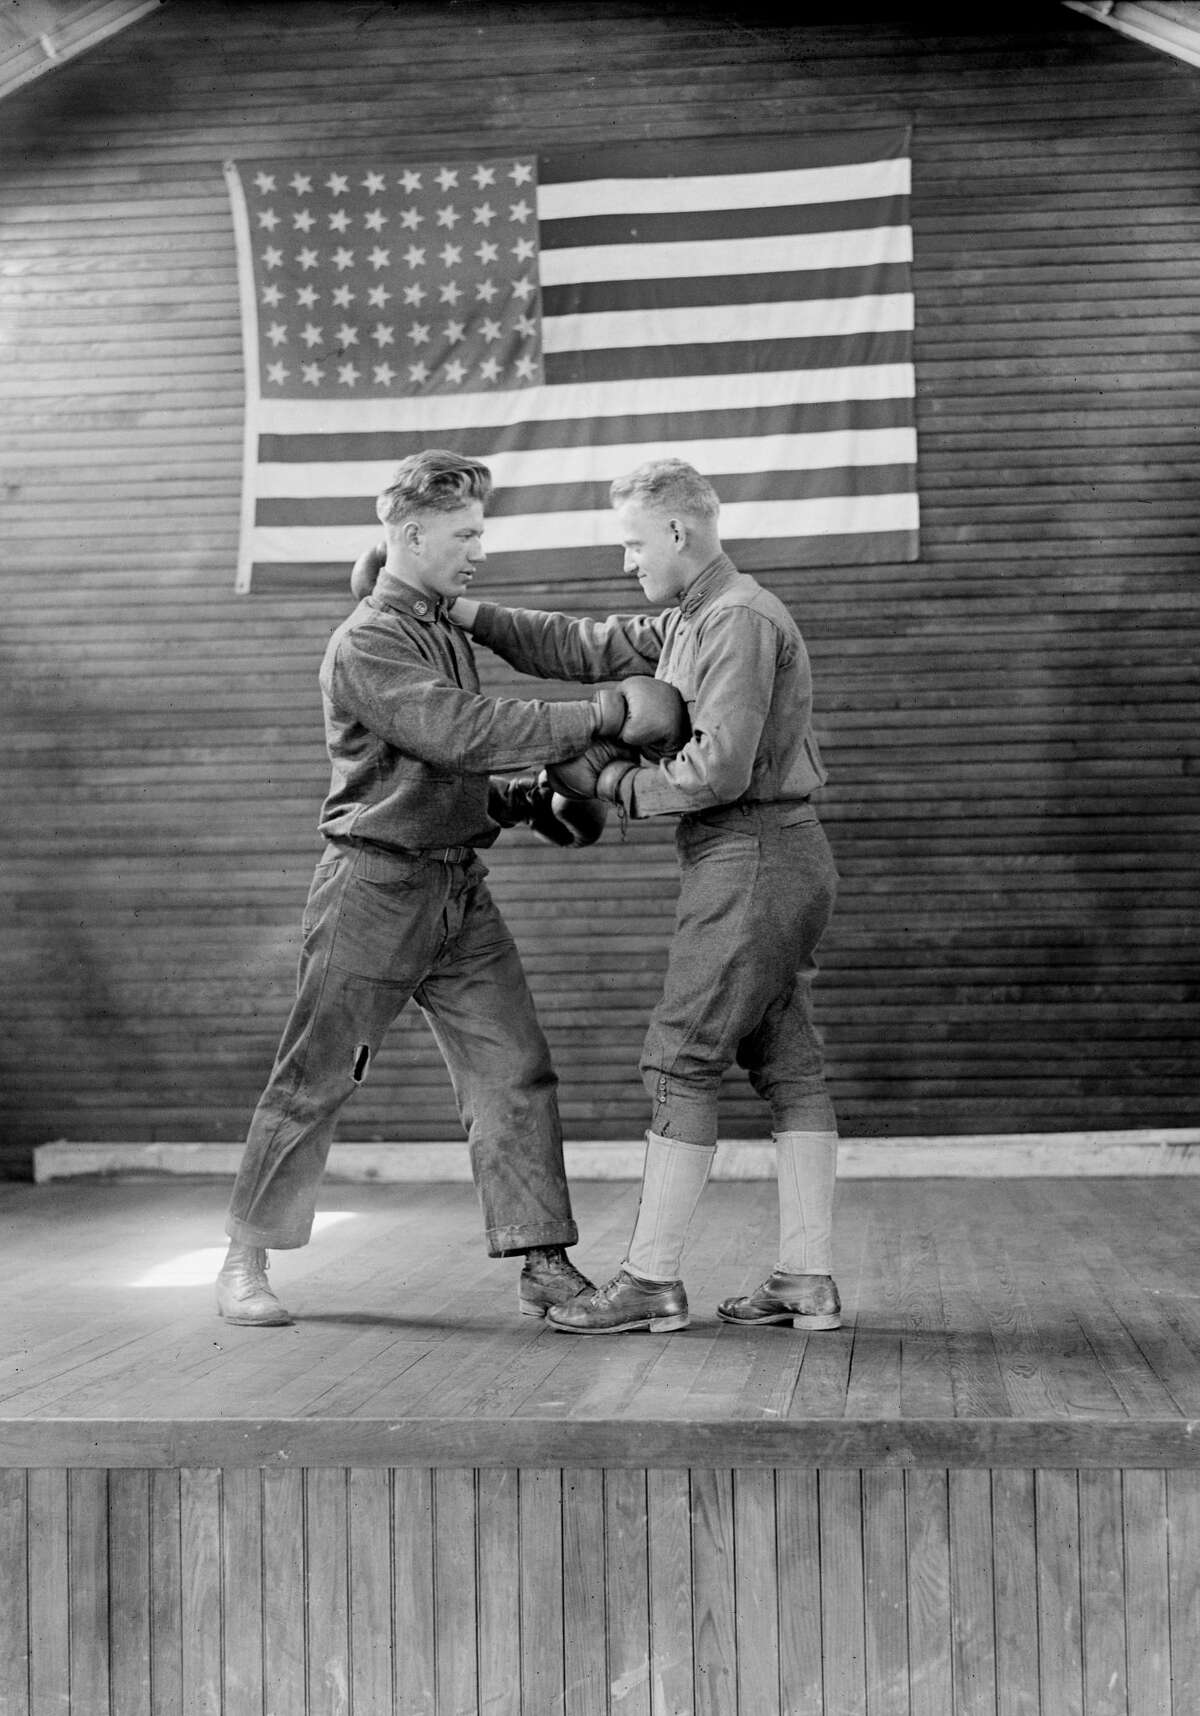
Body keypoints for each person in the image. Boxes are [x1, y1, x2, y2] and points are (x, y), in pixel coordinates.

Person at [216, 449, 686, 1327]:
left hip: (457, 889)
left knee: (514, 1070)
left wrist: (522, 798)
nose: (479, 550)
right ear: (410, 535)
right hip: (373, 888)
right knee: (317, 1075)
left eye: (479, 533)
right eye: (464, 535)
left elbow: (440, 770)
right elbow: (462, 732)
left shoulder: (440, 630)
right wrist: (605, 713)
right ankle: (245, 1257)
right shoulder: (367, 641)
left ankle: (542, 1261)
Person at [447, 458, 842, 1335]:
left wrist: (611, 782)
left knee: (680, 1061)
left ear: (677, 531)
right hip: (773, 856)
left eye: (634, 544)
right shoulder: (691, 617)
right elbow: (579, 646)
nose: (627, 562)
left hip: (752, 852)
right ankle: (805, 1279)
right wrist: (463, 612)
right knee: (788, 1064)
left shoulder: (736, 619)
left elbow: (719, 770)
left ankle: (650, 1281)